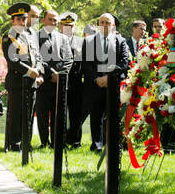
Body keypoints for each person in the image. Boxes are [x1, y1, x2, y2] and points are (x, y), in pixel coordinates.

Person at [81, 12, 130, 151]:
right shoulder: (89, 41)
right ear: (98, 24)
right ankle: (97, 144)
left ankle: (113, 144)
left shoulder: (121, 41)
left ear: (113, 25)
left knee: (113, 116)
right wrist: (97, 79)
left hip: (113, 85)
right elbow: (86, 64)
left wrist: (109, 78)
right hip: (95, 85)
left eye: (107, 22)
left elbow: (124, 62)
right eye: (102, 22)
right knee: (96, 116)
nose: (104, 25)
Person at [2, 1, 42, 152]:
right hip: (17, 81)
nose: (22, 22)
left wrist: (37, 70)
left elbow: (37, 57)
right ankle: (15, 143)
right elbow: (12, 60)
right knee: (16, 115)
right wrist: (28, 70)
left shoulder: (30, 37)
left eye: (24, 19)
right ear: (12, 20)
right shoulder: (9, 37)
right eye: (18, 19)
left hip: (31, 82)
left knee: (29, 115)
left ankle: (26, 142)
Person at [36, 9, 66, 148]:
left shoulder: (62, 38)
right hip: (44, 82)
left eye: (55, 20)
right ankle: (44, 142)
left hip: (59, 82)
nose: (53, 22)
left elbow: (69, 59)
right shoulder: (35, 37)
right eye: (50, 19)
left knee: (57, 114)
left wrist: (60, 74)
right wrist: (51, 73)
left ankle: (56, 142)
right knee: (42, 114)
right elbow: (38, 58)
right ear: (43, 20)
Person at [59, 12, 86, 148]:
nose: (68, 28)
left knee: (76, 114)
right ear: (60, 26)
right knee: (61, 113)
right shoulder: (55, 40)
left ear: (74, 27)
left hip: (75, 81)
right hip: (60, 81)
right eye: (65, 25)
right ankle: (61, 141)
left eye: (71, 26)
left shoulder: (81, 42)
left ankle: (76, 141)